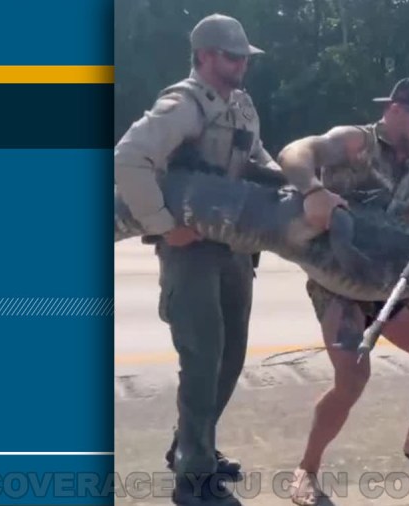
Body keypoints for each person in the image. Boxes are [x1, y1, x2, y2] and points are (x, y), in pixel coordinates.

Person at [276, 77, 409, 505]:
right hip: (338, 284)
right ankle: (307, 468)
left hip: (388, 286)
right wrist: (313, 190)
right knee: (352, 380)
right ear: (394, 110)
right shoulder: (354, 143)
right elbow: (293, 153)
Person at [114, 13, 276, 506]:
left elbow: (257, 158)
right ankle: (194, 481)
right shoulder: (183, 105)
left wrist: (293, 184)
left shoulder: (241, 106)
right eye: (233, 56)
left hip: (234, 246)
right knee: (202, 359)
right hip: (190, 250)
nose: (242, 64)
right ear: (205, 56)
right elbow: (128, 157)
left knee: (229, 358)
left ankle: (191, 447)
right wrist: (163, 224)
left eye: (245, 57)